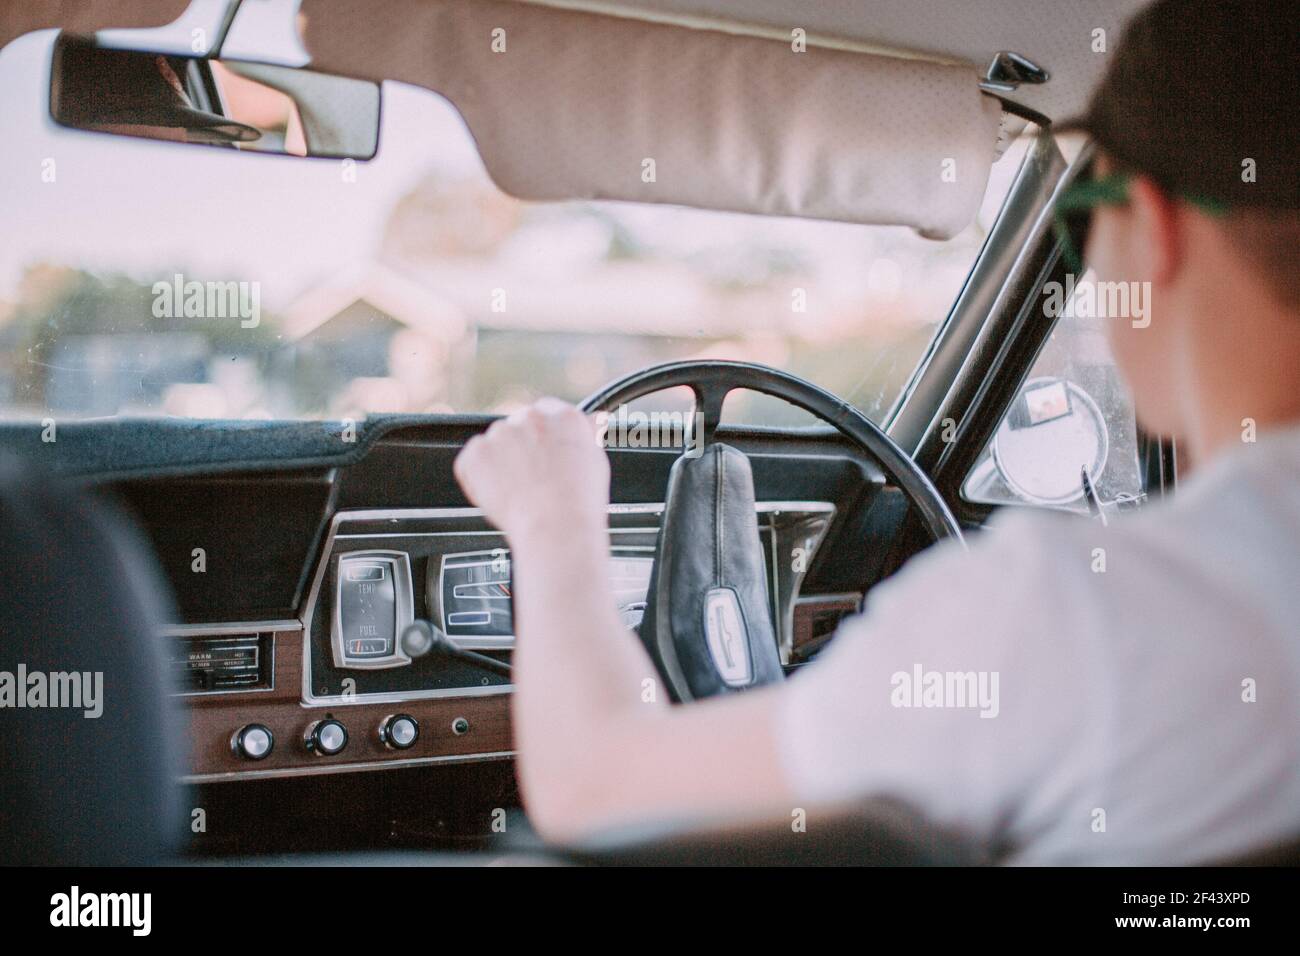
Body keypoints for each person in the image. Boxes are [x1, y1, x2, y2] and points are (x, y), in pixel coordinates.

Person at [452, 0, 1300, 864]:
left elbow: (591, 787)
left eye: (1084, 209)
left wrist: (553, 524)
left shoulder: (1068, 620)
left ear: (1151, 227)